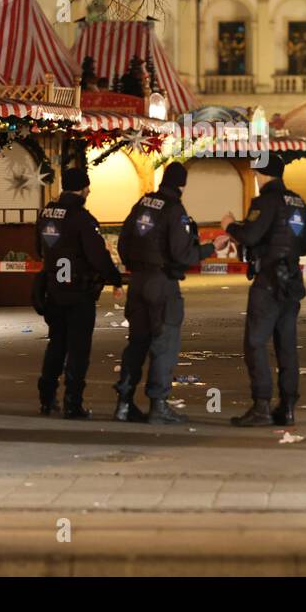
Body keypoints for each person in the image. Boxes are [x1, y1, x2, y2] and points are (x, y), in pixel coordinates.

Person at [115, 163, 214, 425]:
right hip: (162, 284)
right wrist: (208, 249)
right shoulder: (174, 210)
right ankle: (158, 405)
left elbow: (123, 242)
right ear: (182, 185)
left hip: (137, 282)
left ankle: (124, 404)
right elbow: (182, 255)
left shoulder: (143, 204)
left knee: (136, 343)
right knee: (163, 344)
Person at [221, 153, 306, 427]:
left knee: (255, 343)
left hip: (269, 281)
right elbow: (305, 244)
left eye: (256, 174)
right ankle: (287, 407)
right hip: (292, 282)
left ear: (262, 174)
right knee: (287, 346)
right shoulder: (299, 202)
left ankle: (261, 406)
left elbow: (250, 235)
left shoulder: (265, 201)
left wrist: (230, 226)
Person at [33, 167, 123, 418]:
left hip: (54, 291)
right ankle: (73, 403)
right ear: (83, 188)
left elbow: (38, 249)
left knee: (56, 345)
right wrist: (114, 278)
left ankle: (47, 398)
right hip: (79, 292)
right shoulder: (82, 218)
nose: (89, 191)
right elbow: (97, 256)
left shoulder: (47, 214)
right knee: (78, 349)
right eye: (88, 187)